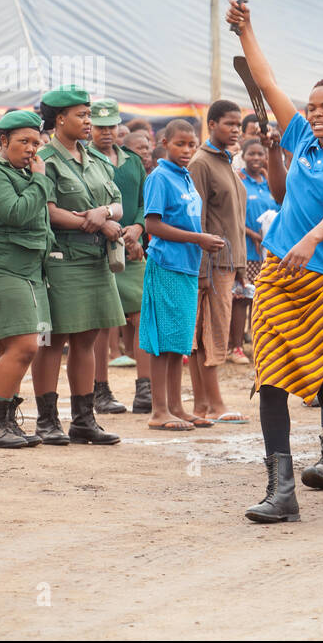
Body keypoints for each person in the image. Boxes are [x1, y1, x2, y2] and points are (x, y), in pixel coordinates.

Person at [228, 0, 323, 523]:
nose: (315, 113)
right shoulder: (301, 140)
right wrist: (246, 29)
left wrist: (313, 238)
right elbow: (265, 81)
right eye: (310, 107)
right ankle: (281, 491)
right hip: (277, 275)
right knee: (270, 378)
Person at [30, 86, 125, 446]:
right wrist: (99, 221)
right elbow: (48, 210)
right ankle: (47, 420)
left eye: (88, 115)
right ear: (60, 119)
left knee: (87, 339)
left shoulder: (97, 159)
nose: (89, 121)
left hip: (96, 258)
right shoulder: (46, 160)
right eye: (82, 115)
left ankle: (84, 420)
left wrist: (105, 213)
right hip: (62, 258)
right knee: (52, 340)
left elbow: (117, 202)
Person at [0, 110, 54, 449]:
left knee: (11, 347)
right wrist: (41, 179)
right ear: (3, 141)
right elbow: (18, 213)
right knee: (25, 345)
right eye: (24, 141)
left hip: (25, 268)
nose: (32, 148)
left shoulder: (20, 171)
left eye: (36, 142)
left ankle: (5, 422)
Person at [141, 119, 225, 430]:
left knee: (179, 342)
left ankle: (176, 406)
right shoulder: (160, 177)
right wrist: (199, 239)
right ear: (164, 143)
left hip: (188, 266)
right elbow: (152, 226)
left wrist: (202, 241)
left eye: (192, 144)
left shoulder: (186, 177)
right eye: (180, 144)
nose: (187, 150)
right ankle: (158, 410)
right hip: (167, 264)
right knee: (163, 341)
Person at [88, 99, 151, 415]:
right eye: (100, 127)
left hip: (133, 247)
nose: (106, 132)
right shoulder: (83, 160)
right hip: (96, 246)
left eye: (111, 126)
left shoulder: (132, 161)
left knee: (141, 315)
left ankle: (145, 389)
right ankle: (100, 390)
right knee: (102, 320)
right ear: (90, 128)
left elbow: (143, 202)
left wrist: (138, 229)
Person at [187, 99, 248, 423]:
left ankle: (205, 404)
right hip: (209, 263)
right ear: (212, 125)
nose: (235, 129)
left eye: (238, 124)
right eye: (229, 123)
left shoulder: (226, 162)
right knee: (209, 335)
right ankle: (212, 404)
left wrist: (239, 268)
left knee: (211, 335)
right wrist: (201, 270)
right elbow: (196, 219)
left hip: (228, 263)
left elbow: (234, 220)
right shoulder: (201, 163)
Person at [235, 136, 280, 364]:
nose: (256, 158)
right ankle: (236, 347)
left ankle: (259, 345)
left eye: (260, 154)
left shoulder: (270, 182)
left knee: (263, 301)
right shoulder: (240, 181)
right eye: (251, 154)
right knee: (243, 298)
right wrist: (253, 235)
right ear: (243, 157)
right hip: (248, 251)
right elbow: (233, 216)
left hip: (269, 252)